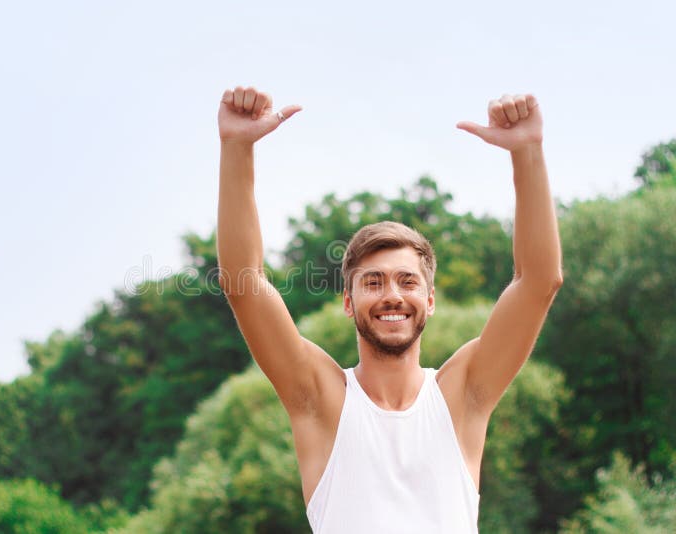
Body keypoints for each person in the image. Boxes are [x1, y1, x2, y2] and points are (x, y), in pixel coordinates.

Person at [216, 86, 562, 533]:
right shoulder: (321, 400)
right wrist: (236, 147)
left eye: (408, 281)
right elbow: (243, 282)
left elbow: (538, 283)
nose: (392, 295)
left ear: (430, 300)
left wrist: (528, 152)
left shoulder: (464, 395)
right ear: (348, 302)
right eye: (372, 282)